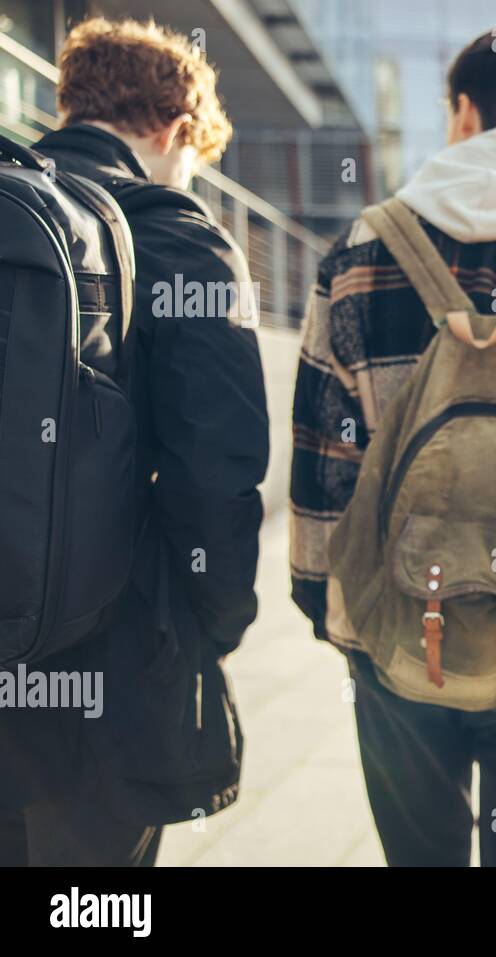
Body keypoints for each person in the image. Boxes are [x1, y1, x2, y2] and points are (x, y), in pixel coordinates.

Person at [289, 28, 496, 866]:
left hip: (398, 628)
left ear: (463, 112)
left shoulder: (364, 247)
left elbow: (323, 445)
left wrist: (323, 595)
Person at [0, 17, 268, 866]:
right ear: (176, 129)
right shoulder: (182, 238)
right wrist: (215, 623)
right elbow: (217, 471)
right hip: (109, 672)